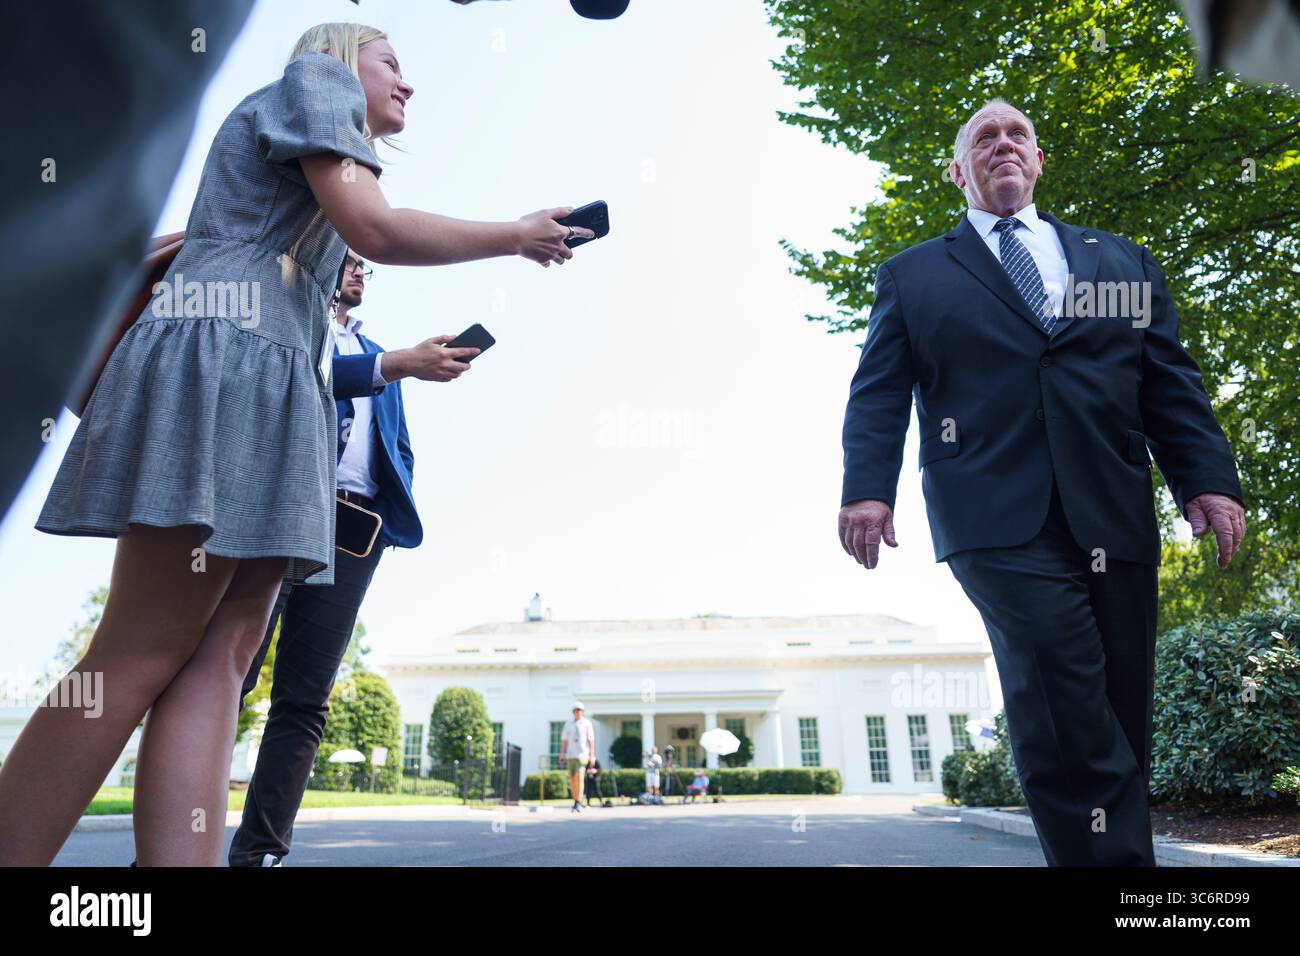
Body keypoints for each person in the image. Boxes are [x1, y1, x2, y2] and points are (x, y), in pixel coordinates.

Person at [0, 21, 594, 867]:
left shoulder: (324, 148)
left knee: (221, 658)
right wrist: (514, 234)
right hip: (234, 364)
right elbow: (377, 227)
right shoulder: (317, 85)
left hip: (276, 386)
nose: (408, 84)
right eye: (393, 60)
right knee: (142, 647)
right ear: (339, 55)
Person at [837, 98, 1246, 867]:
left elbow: (1168, 383)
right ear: (958, 171)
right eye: (983, 138)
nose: (1002, 145)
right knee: (1064, 684)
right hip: (993, 516)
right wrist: (869, 487)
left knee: (1116, 709)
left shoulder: (1118, 263)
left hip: (1113, 510)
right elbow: (880, 391)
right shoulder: (915, 275)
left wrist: (1206, 480)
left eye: (1016, 134)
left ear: (1038, 159)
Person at [226, 250, 477, 867]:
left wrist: (390, 520)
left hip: (358, 531)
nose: (361, 271)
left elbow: (397, 448)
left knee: (306, 698)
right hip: (285, 510)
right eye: (352, 260)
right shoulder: (295, 320)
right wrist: (399, 365)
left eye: (370, 264)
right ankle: (168, 849)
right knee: (228, 678)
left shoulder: (380, 351)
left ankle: (259, 853)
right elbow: (307, 378)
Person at [558, 702, 596, 813]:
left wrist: (592, 755)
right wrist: (562, 754)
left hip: (582, 755)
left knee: (580, 778)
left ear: (582, 712)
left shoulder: (587, 723)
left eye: (579, 710)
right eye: (576, 710)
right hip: (570, 755)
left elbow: (591, 741)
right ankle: (575, 800)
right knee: (572, 779)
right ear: (573, 712)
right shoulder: (568, 724)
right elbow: (564, 740)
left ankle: (579, 801)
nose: (577, 712)